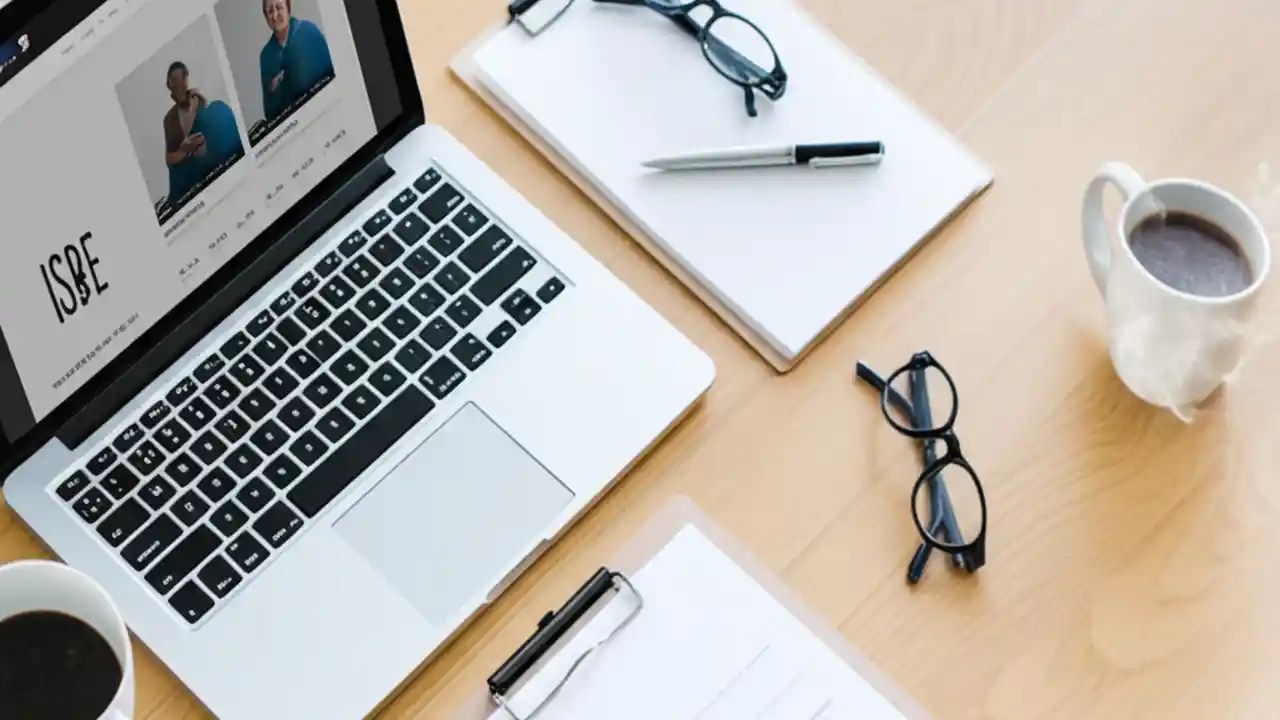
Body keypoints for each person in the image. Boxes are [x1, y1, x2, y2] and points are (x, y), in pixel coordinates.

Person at [259, 0, 334, 124]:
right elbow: (270, 111)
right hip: (292, 123)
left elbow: (332, 73)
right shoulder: (266, 56)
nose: (275, 15)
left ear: (288, 8)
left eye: (279, 8)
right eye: (270, 11)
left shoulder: (308, 31)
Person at [164, 62, 208, 169]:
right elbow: (169, 159)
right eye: (174, 88)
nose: (178, 92)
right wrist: (183, 151)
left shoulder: (198, 101)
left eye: (181, 86)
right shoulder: (169, 119)